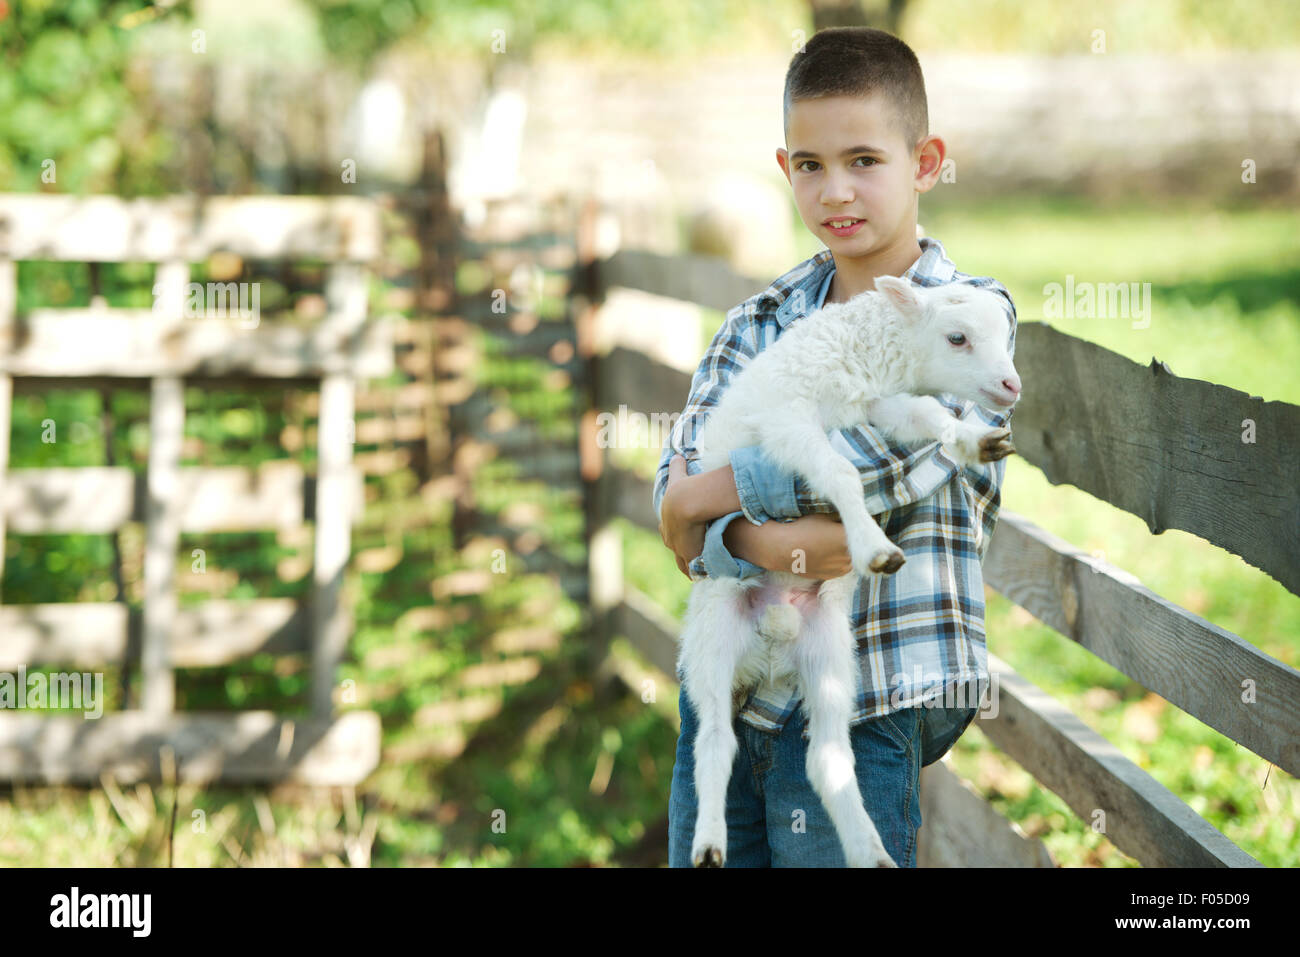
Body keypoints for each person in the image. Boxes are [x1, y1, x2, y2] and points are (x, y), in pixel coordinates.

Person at [654, 26, 1017, 867]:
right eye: (810, 165)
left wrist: (713, 506)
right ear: (785, 169)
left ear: (925, 162)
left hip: (867, 702)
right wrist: (714, 518)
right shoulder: (758, 320)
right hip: (732, 697)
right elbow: (672, 511)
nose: (836, 190)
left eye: (864, 159)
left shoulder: (967, 323)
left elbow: (880, 467)